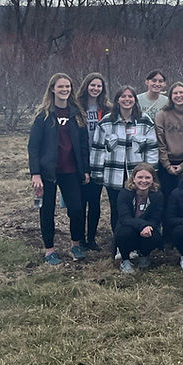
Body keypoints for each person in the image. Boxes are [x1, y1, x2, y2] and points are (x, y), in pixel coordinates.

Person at [28, 73, 90, 264]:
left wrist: (85, 169)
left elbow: (83, 145)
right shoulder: (44, 115)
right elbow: (34, 146)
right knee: (47, 211)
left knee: (77, 210)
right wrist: (35, 173)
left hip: (71, 171)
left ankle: (75, 244)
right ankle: (50, 250)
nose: (64, 90)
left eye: (68, 87)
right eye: (61, 87)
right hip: (48, 173)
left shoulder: (76, 114)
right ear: (53, 89)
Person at [90, 86, 159, 249]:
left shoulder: (145, 120)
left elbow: (152, 149)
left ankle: (136, 244)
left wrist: (151, 174)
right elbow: (98, 149)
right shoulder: (106, 122)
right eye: (123, 96)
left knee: (138, 209)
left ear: (135, 100)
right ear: (117, 100)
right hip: (114, 176)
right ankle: (120, 244)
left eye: (130, 97)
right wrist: (97, 173)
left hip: (138, 178)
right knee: (117, 210)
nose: (127, 99)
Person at [78, 72, 110, 250]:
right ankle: (80, 238)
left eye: (99, 86)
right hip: (82, 160)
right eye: (93, 85)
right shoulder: (77, 107)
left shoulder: (107, 108)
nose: (95, 88)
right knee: (81, 202)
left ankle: (91, 238)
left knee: (95, 201)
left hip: (100, 161)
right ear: (86, 86)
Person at [114, 163, 164, 273]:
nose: (143, 181)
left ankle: (144, 255)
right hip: (128, 228)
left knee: (154, 236)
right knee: (124, 233)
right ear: (133, 179)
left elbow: (156, 219)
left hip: (147, 229)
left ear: (153, 180)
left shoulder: (158, 195)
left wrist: (147, 227)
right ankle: (125, 259)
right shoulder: (124, 193)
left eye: (147, 177)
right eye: (140, 177)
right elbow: (124, 218)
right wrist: (142, 226)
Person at [154, 82, 183, 198]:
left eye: (181, 92)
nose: (178, 95)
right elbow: (160, 142)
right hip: (166, 163)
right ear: (170, 97)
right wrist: (167, 165)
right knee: (166, 196)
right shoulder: (162, 115)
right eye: (175, 93)